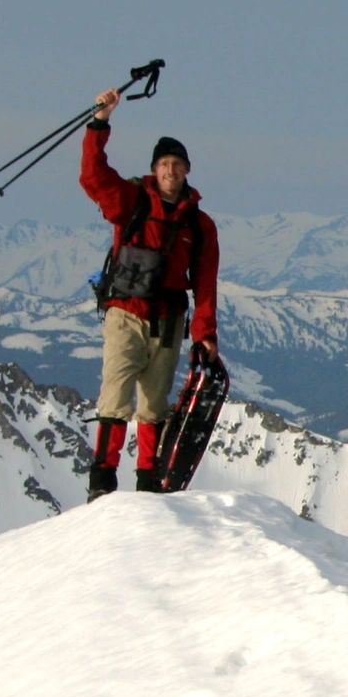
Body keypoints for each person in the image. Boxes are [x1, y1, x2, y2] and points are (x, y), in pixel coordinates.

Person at [79, 86, 220, 500]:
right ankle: (103, 480)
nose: (170, 171)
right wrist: (100, 122)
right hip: (125, 312)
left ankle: (147, 480)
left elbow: (206, 282)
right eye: (164, 164)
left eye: (177, 164)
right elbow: (92, 176)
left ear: (187, 170)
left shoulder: (200, 225)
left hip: (168, 320)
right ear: (154, 169)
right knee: (115, 396)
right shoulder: (131, 200)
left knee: (154, 405)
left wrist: (205, 334)